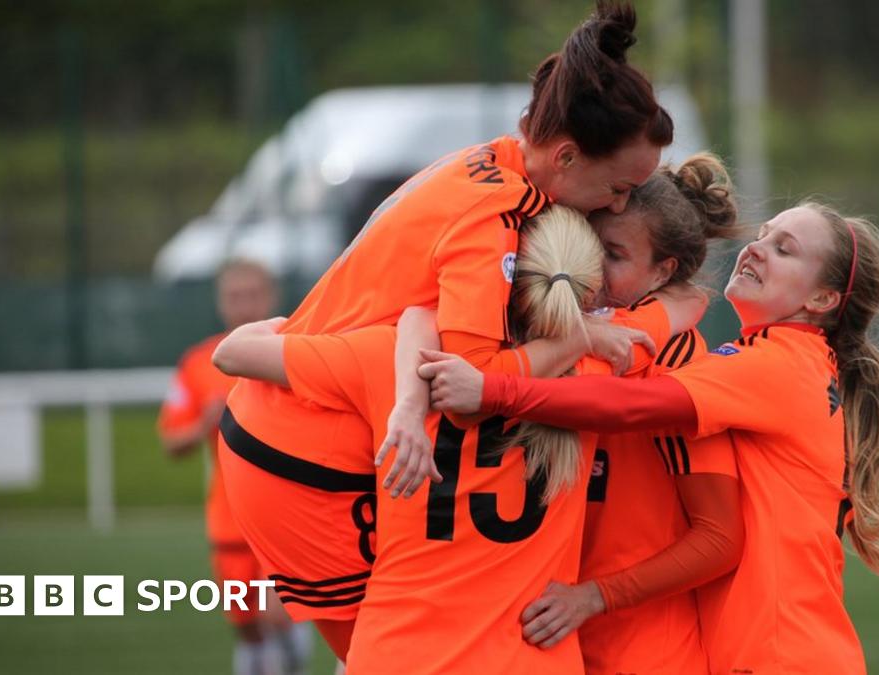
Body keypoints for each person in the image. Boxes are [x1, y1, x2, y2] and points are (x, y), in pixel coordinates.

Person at [217, 0, 673, 660]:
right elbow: (470, 382)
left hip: (294, 414)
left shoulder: (492, 163)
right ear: (568, 156)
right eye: (621, 187)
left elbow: (420, 317)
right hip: (303, 449)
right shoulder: (495, 220)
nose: (623, 205)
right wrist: (578, 339)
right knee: (394, 651)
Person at [421, 201, 879, 675]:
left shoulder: (776, 364)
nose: (757, 249)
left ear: (822, 297)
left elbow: (634, 407)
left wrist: (495, 389)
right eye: (764, 234)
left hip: (777, 657)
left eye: (784, 248)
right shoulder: (783, 362)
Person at [216, 205, 695, 673]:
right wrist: (584, 333)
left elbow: (233, 357)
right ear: (586, 289)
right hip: (528, 654)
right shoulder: (604, 365)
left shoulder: (397, 361)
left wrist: (266, 328)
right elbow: (689, 301)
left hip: (398, 653)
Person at [519, 153, 749, 674]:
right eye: (584, 243)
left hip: (643, 656)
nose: (589, 270)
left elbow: (719, 538)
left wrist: (595, 596)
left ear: (662, 271)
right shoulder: (550, 341)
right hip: (550, 647)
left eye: (614, 255)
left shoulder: (677, 363)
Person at [156, 259, 311, 675]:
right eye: (234, 296)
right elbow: (172, 442)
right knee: (247, 626)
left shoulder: (299, 349)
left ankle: (290, 648)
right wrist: (203, 424)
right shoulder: (199, 363)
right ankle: (272, 653)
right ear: (221, 302)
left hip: (285, 515)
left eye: (252, 294)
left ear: (271, 295)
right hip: (228, 519)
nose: (244, 305)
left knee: (278, 614)